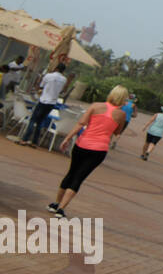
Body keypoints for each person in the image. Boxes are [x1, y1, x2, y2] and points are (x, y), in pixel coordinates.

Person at [49, 84, 127, 216]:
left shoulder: (95, 106)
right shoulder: (121, 114)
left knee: (71, 173)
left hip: (82, 145)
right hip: (99, 150)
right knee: (79, 177)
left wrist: (67, 138)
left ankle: (56, 203)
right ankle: (61, 208)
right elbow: (117, 131)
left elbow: (81, 124)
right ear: (123, 99)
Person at [19, 64, 67, 147]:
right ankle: (34, 142)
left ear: (56, 68)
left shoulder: (48, 76)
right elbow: (61, 90)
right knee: (40, 122)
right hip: (52, 102)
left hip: (43, 100)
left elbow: (41, 86)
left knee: (33, 120)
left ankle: (25, 139)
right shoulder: (64, 79)